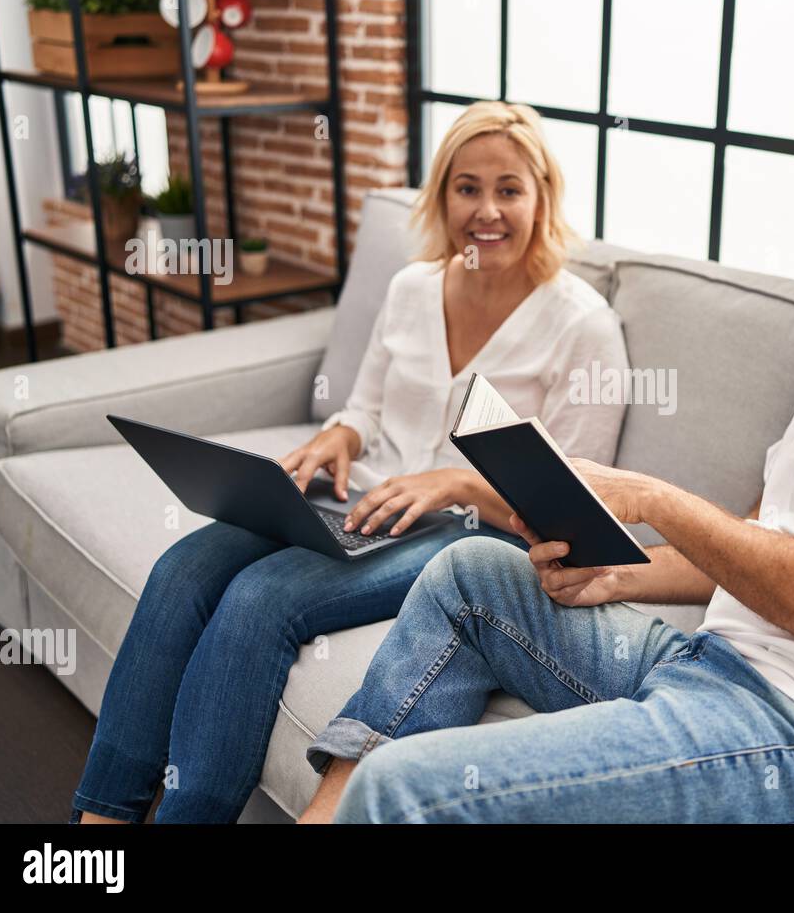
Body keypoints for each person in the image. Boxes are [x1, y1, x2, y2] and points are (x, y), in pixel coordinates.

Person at [297, 90, 794, 825]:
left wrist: (653, 498)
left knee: (404, 794)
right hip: (720, 669)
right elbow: (760, 540)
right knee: (473, 572)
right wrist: (625, 575)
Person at [72, 101, 629, 823]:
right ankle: (100, 824)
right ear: (441, 196)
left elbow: (577, 511)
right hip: (364, 499)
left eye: (508, 189)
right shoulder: (411, 289)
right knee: (183, 569)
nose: (485, 210)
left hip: (474, 537)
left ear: (542, 198)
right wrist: (340, 437)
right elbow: (363, 409)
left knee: (260, 598)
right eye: (467, 188)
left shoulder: (582, 324)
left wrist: (461, 484)